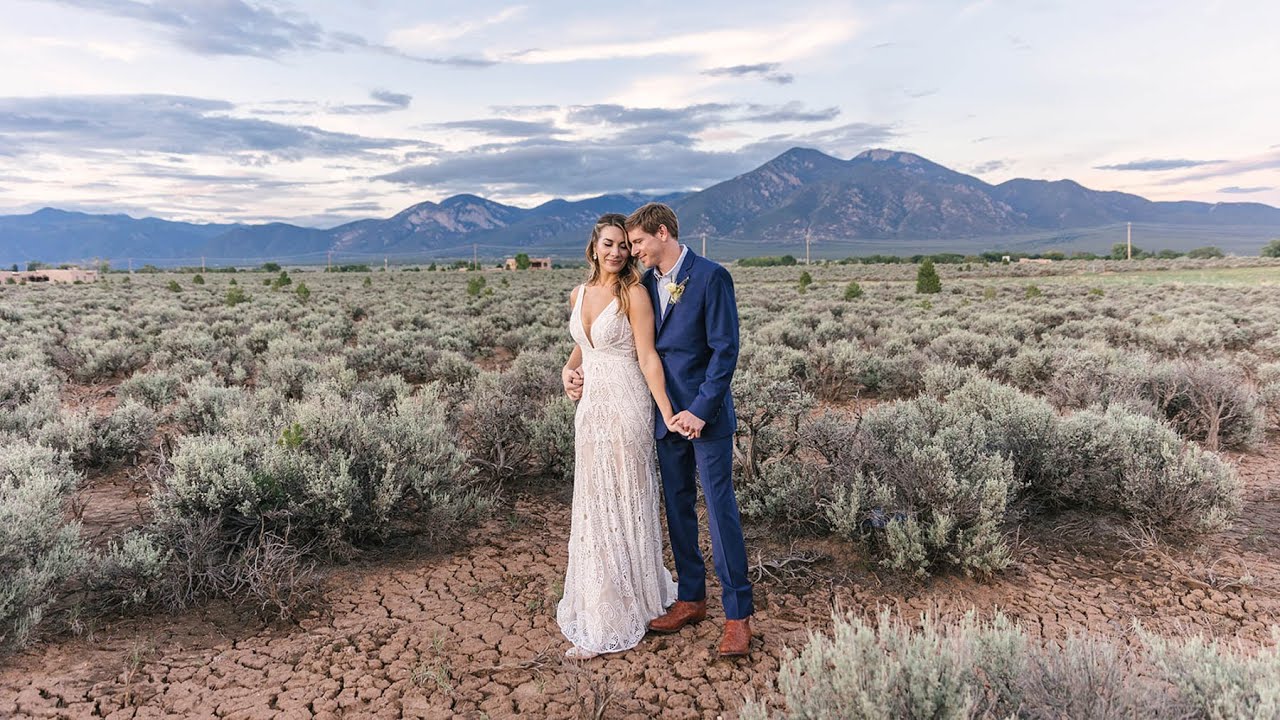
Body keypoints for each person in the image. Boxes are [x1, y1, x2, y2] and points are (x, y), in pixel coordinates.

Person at [563, 203, 754, 657]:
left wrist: (699, 411)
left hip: (703, 419)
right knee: (678, 508)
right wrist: (574, 371)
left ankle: (737, 616)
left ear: (662, 234)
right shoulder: (642, 283)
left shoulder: (711, 277)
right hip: (659, 416)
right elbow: (621, 347)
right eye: (623, 245)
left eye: (637, 244)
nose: (632, 252)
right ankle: (691, 597)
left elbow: (725, 352)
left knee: (719, 509)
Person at [556, 213, 681, 660]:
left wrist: (666, 413)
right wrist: (569, 373)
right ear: (593, 248)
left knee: (623, 499)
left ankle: (622, 608)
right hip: (589, 413)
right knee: (595, 503)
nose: (616, 252)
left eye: (623, 246)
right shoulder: (579, 293)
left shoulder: (634, 294)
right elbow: (582, 348)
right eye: (608, 244)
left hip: (627, 408)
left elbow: (648, 358)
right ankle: (600, 600)